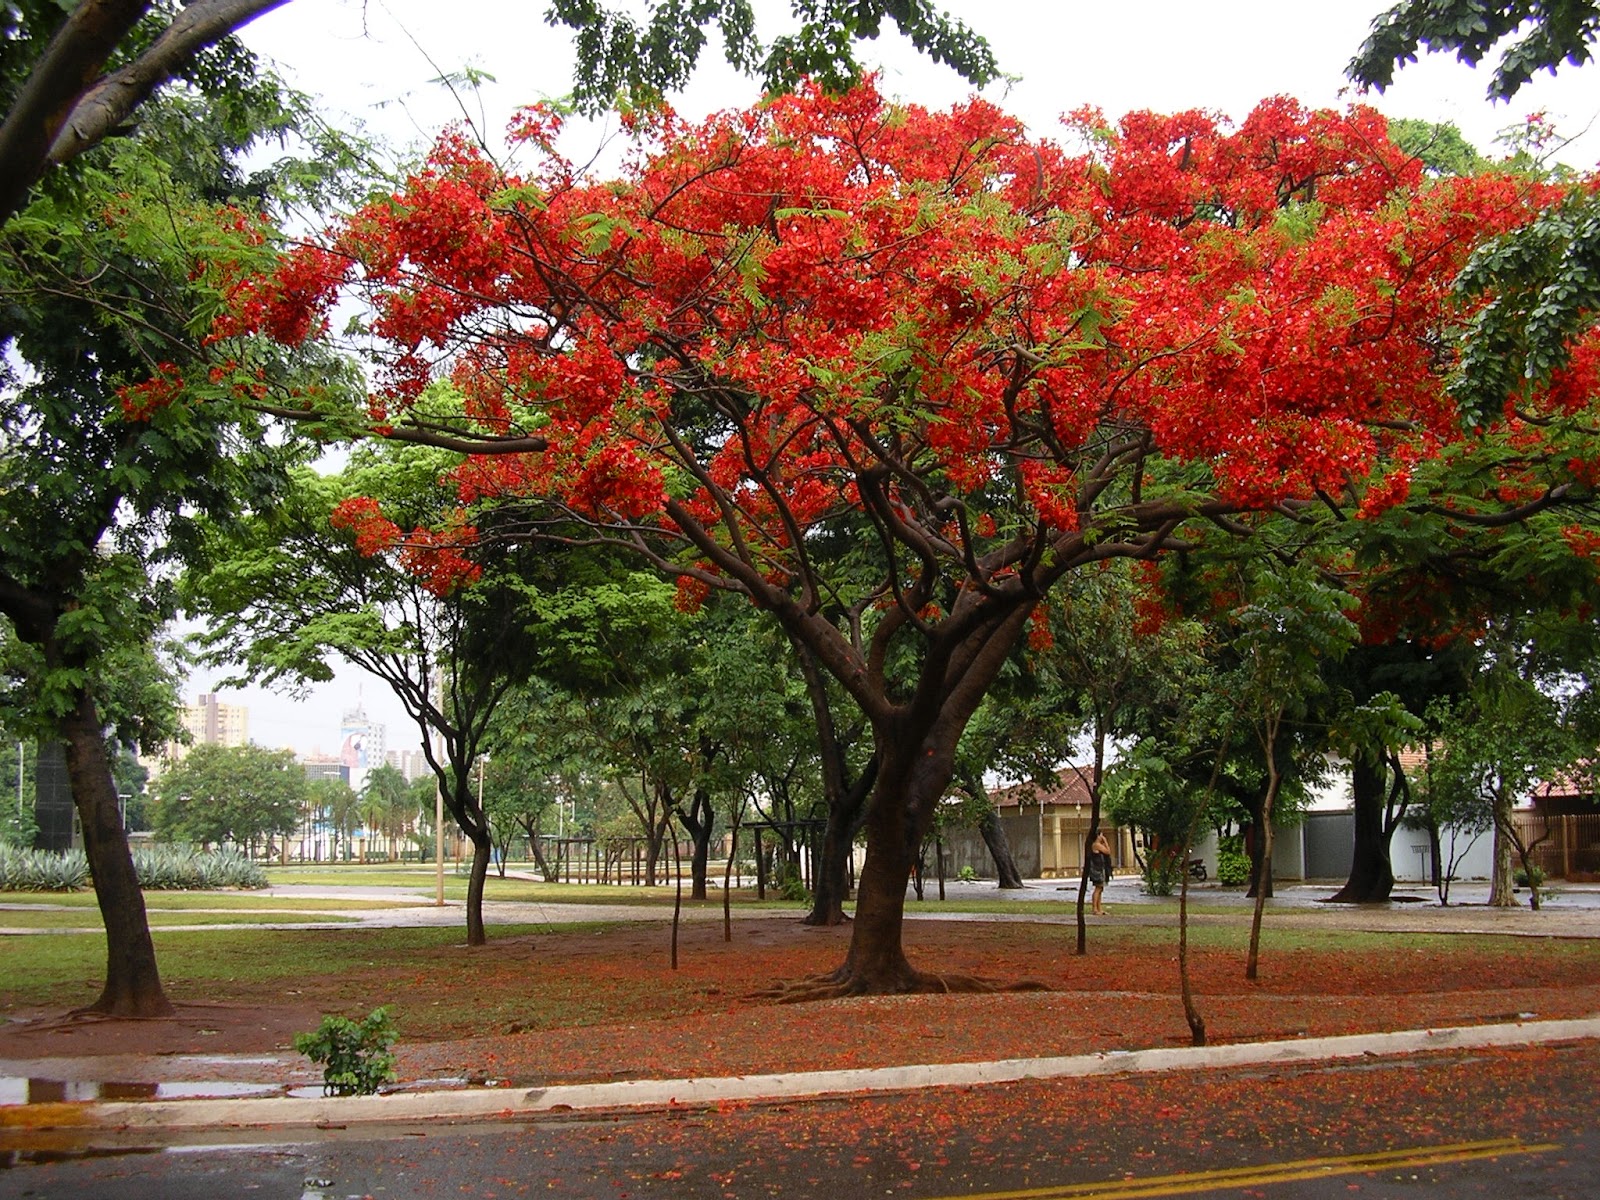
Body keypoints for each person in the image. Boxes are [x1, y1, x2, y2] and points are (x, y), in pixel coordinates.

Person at [1087, 831, 1113, 916]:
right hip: (1097, 870)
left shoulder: (1097, 845)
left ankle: (1099, 908)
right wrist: (1105, 841)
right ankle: (1095, 908)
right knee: (1098, 888)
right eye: (1101, 835)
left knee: (1100, 888)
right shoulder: (1096, 845)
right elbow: (1108, 851)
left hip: (1101, 868)